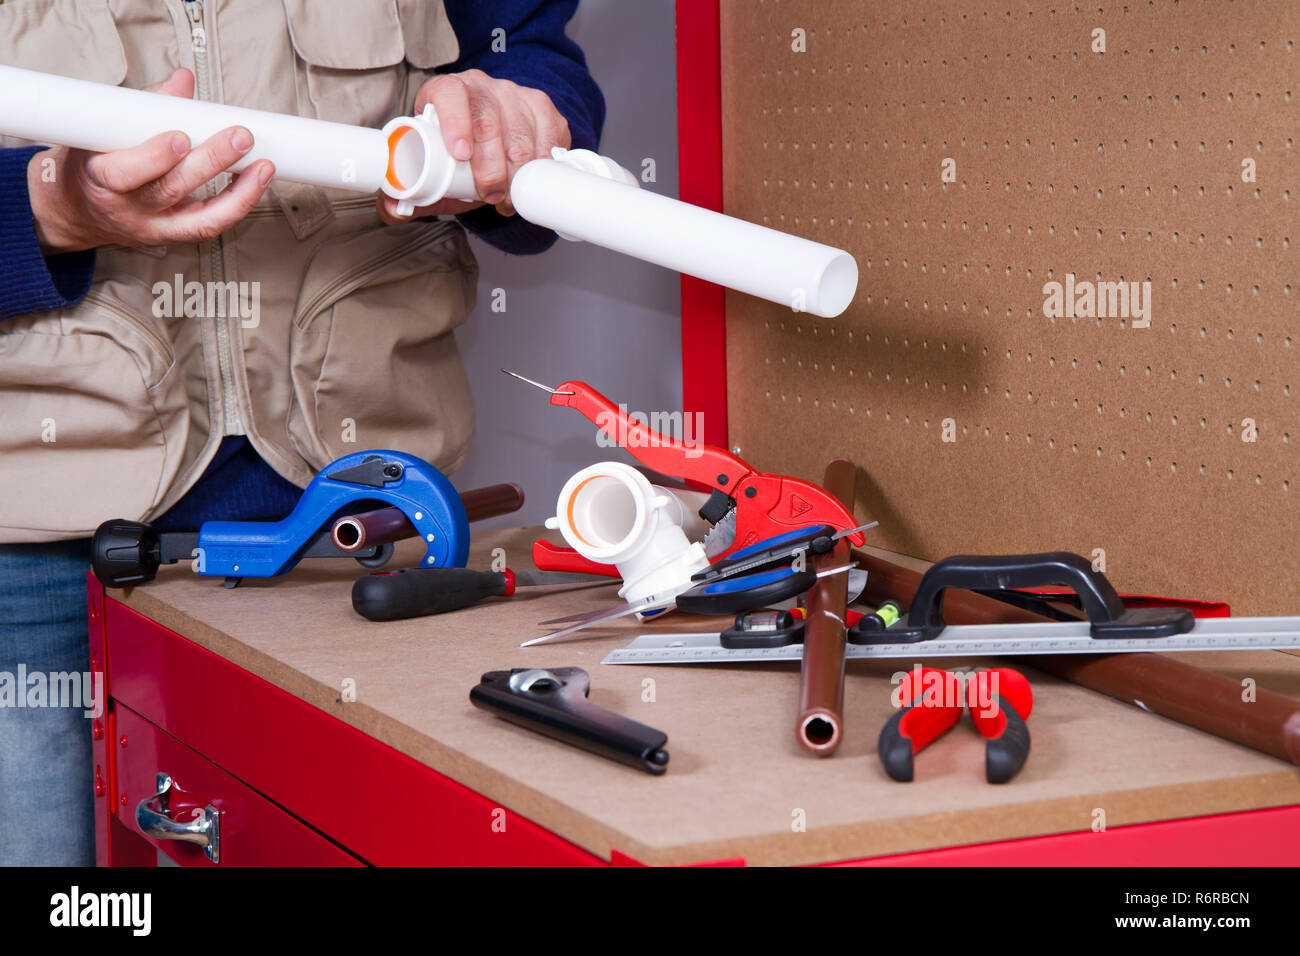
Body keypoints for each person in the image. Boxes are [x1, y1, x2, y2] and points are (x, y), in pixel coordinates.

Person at [0, 0, 604, 866]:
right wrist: (56, 209)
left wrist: (512, 115)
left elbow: (533, 60)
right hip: (32, 548)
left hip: (363, 530)